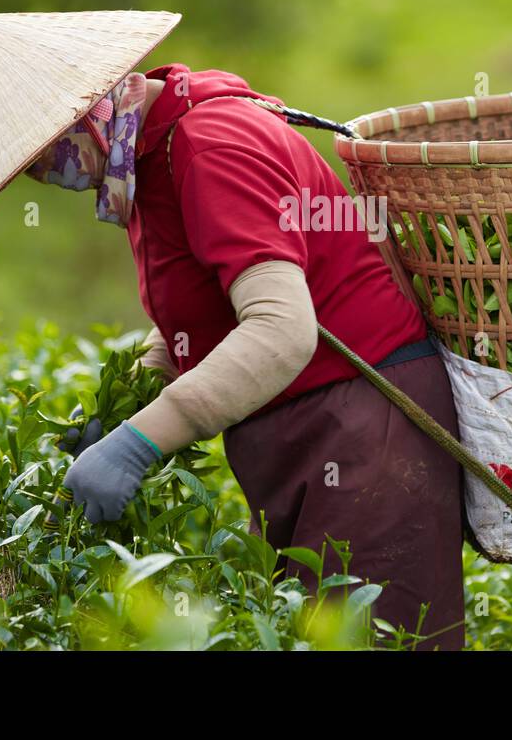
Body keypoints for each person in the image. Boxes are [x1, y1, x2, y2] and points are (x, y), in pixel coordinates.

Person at [25, 63, 467, 649]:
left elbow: (280, 331)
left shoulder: (211, 147)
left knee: (374, 639)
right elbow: (205, 314)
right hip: (305, 431)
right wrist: (126, 406)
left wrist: (139, 444)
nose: (49, 176)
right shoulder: (155, 154)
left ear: (89, 115)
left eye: (49, 153)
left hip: (364, 428)